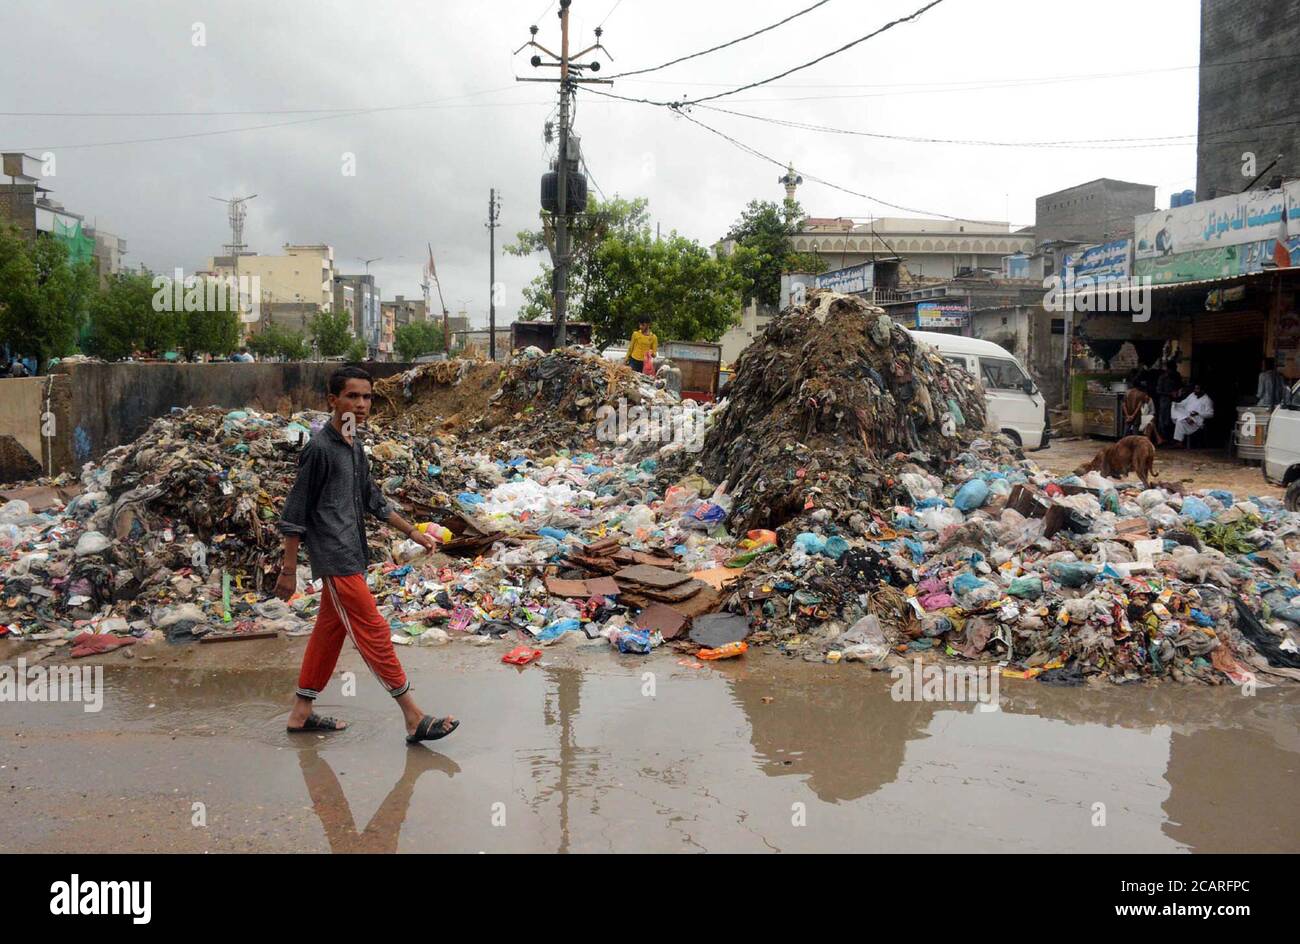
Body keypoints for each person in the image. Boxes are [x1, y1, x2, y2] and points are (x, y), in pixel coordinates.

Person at [276, 366, 459, 744]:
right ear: (333, 400)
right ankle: (413, 716)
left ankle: (300, 714)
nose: (361, 405)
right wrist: (288, 569)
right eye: (352, 396)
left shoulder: (354, 446)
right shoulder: (320, 450)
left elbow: (373, 501)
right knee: (373, 631)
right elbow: (294, 514)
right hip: (336, 559)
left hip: (352, 556)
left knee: (329, 634)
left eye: (367, 397)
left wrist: (414, 532)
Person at [1171, 383, 1214, 447]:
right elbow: (1183, 403)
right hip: (1187, 416)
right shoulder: (1192, 395)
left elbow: (1211, 414)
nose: (1195, 390)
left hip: (1195, 421)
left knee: (1180, 421)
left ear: (1202, 390)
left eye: (1197, 389)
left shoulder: (1207, 400)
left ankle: (1179, 442)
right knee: (1174, 406)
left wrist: (1198, 413)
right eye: (1195, 388)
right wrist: (1176, 403)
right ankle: (1184, 418)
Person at [1156, 364, 1182, 441]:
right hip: (1165, 401)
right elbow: (1158, 390)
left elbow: (1180, 385)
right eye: (1173, 370)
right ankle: (1163, 437)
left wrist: (1179, 391)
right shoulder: (1162, 378)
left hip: (1175, 401)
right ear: (1169, 369)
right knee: (1164, 420)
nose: (1174, 371)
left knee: (1174, 419)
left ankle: (1172, 438)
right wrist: (1170, 393)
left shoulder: (1177, 376)